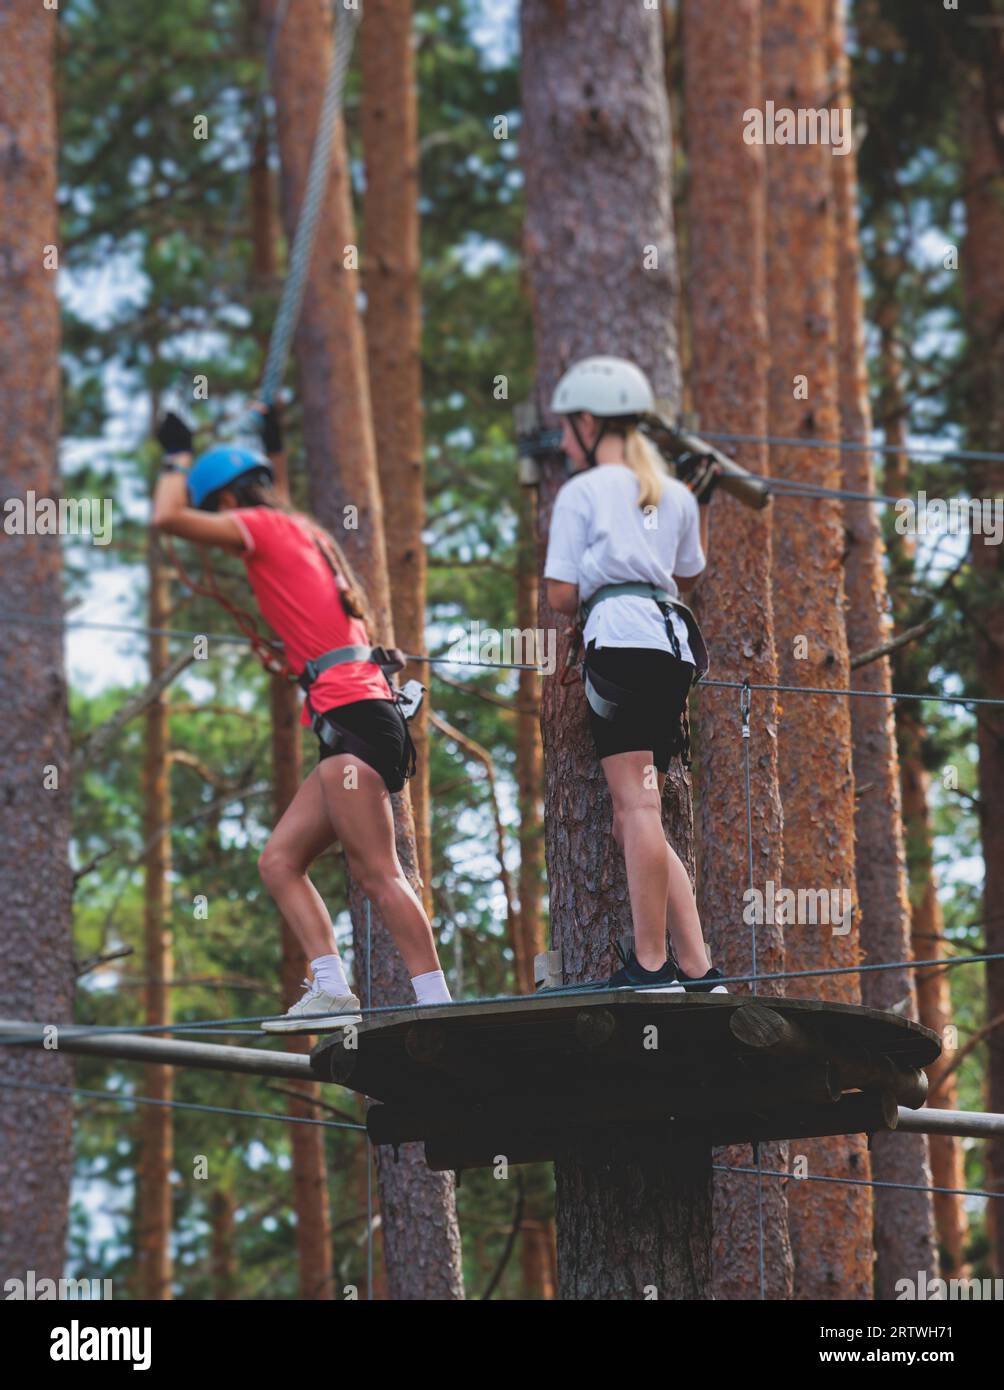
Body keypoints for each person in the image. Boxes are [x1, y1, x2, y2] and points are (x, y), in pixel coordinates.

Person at [150, 406, 451, 1031]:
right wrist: (272, 445)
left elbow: (168, 518)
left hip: (354, 723)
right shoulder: (303, 532)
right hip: (358, 722)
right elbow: (268, 499)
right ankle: (332, 988)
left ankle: (437, 1004)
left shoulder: (260, 526)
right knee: (279, 861)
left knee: (378, 872)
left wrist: (175, 457)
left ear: (230, 501)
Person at [543, 355, 727, 994]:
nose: (564, 442)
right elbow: (688, 570)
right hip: (670, 648)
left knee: (637, 805)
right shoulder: (673, 493)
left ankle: (651, 968)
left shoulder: (582, 492)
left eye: (569, 429)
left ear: (591, 423)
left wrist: (595, 587)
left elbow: (560, 594)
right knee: (634, 814)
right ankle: (701, 968)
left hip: (619, 644)